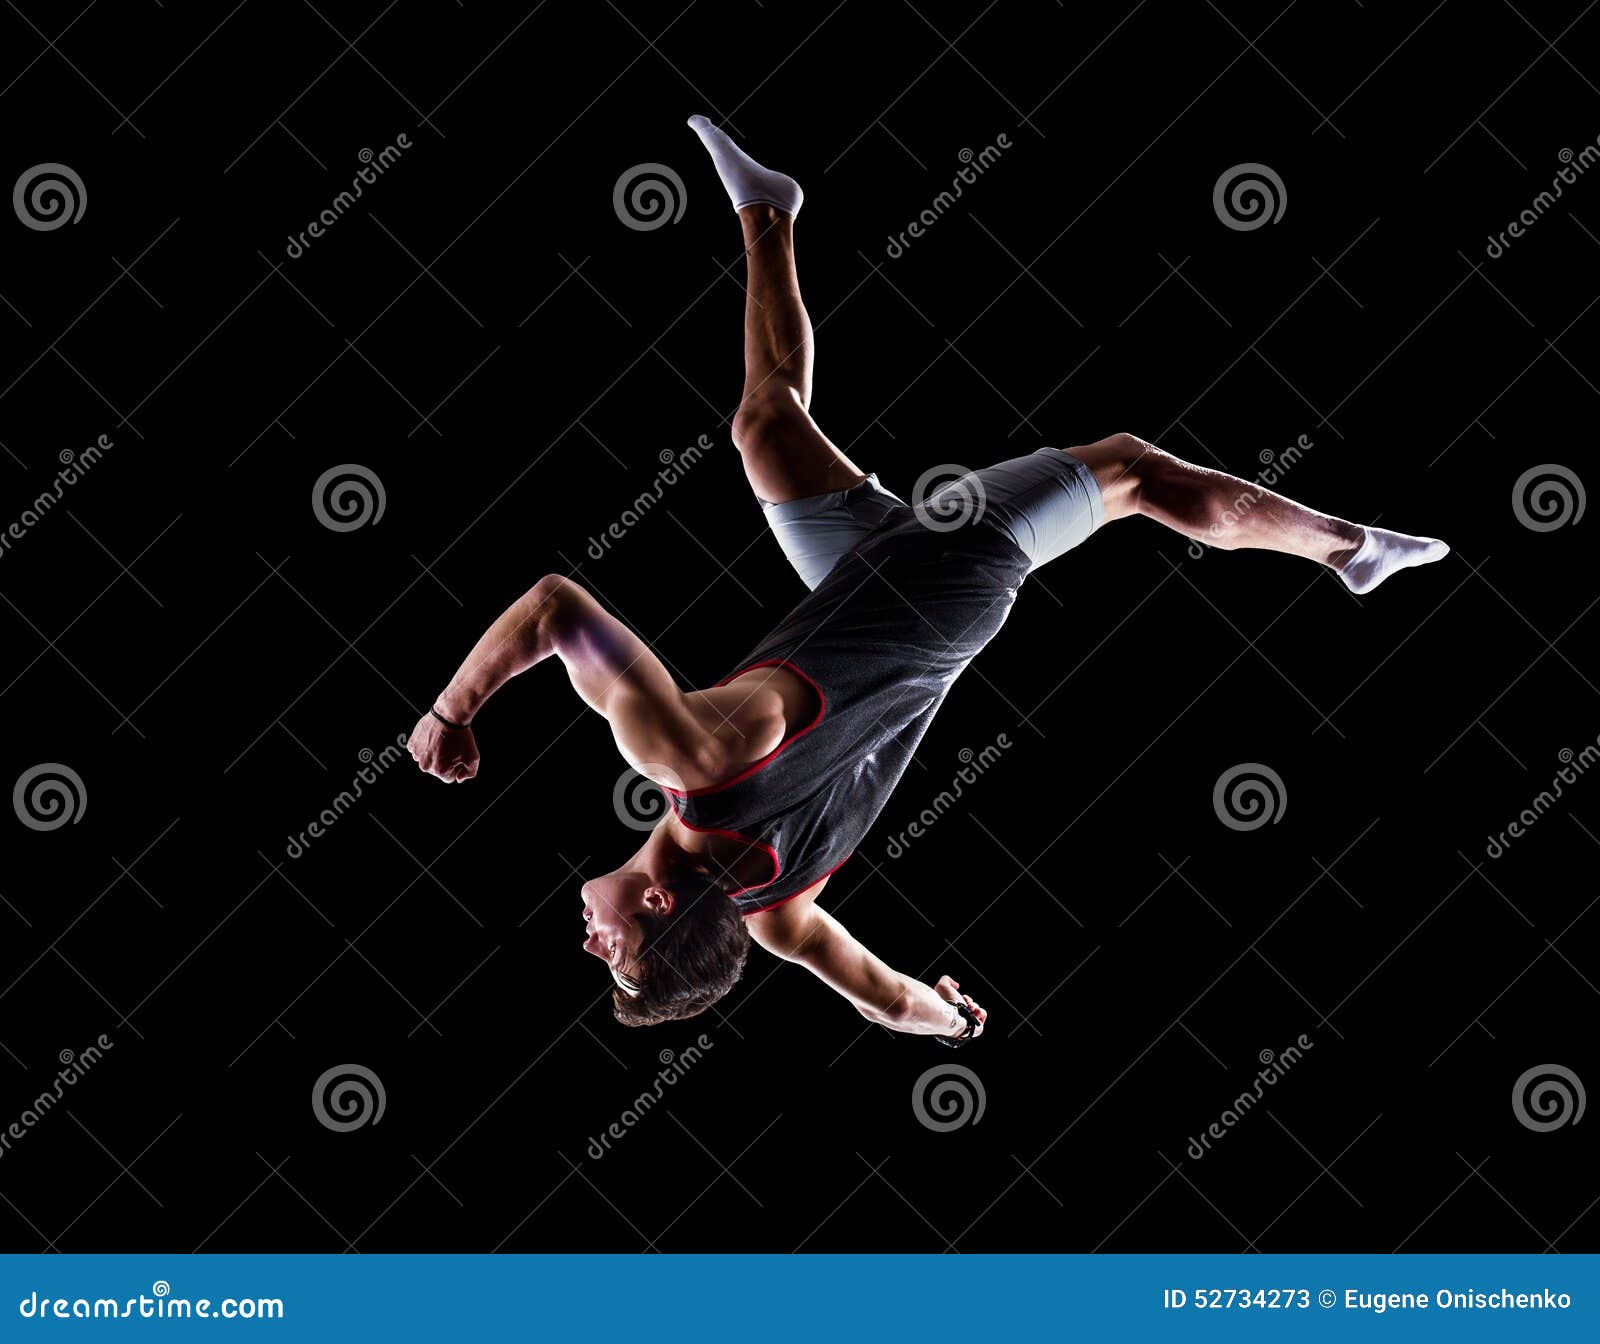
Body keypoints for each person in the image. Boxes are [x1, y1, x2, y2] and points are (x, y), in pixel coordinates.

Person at [407, 117, 1448, 1042]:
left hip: (859, 591)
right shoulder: (690, 755)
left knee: (764, 429)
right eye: (613, 952)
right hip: (939, 585)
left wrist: (945, 1017)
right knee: (1129, 470)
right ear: (659, 909)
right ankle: (1350, 552)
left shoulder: (780, 911)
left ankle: (767, 209)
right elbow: (552, 607)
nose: (586, 941)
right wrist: (453, 712)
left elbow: (876, 994)